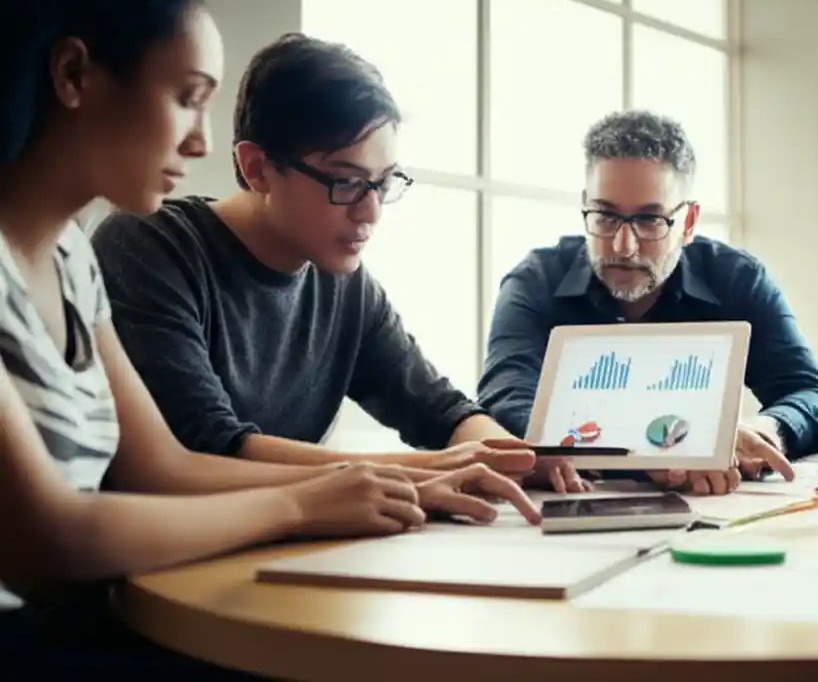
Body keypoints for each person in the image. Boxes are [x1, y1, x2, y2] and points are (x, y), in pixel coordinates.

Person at [0, 0, 537, 674]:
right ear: (73, 75)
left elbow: (162, 466)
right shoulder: (142, 247)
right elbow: (51, 540)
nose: (199, 144)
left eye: (382, 185)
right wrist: (311, 502)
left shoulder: (70, 258)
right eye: (188, 100)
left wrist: (482, 466)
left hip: (91, 615)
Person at [91, 33, 586, 494]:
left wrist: (520, 458)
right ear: (257, 168)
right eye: (346, 182)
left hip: (279, 552)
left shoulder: (343, 283)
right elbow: (207, 446)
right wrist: (435, 470)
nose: (370, 211)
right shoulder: (152, 248)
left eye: (383, 183)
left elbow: (440, 411)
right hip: (155, 567)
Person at [478, 110, 818, 496]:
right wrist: (642, 450)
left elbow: (815, 398)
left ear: (688, 223)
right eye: (605, 216)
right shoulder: (535, 280)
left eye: (650, 221)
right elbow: (504, 398)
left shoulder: (737, 278)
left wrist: (764, 430)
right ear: (585, 205)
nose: (624, 246)